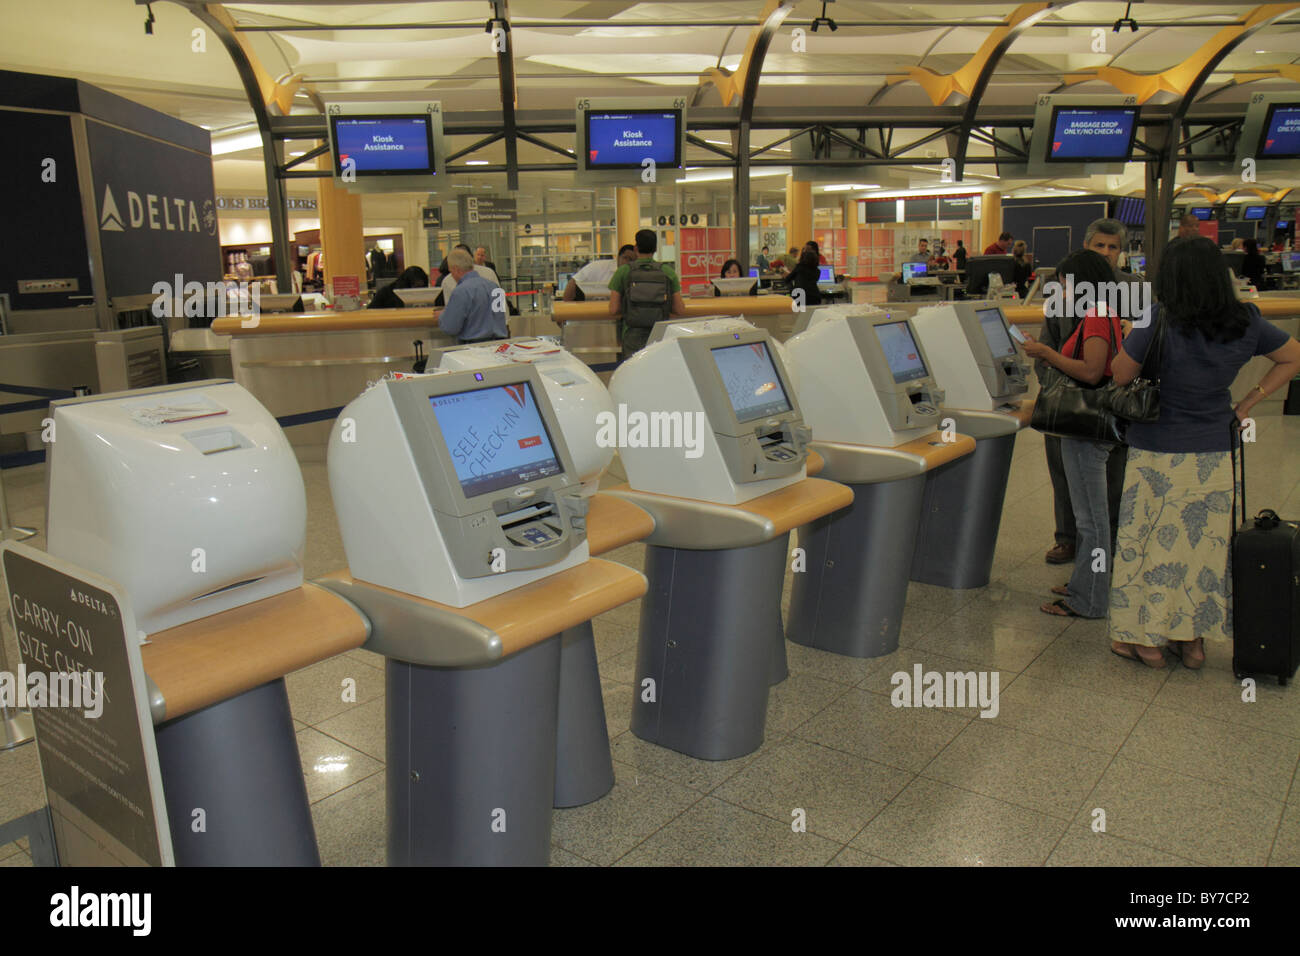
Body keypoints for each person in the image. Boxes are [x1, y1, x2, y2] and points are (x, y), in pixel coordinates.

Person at [1108, 237, 1300, 667]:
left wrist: (1129, 338)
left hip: (1156, 449)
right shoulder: (1245, 320)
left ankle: (1146, 640)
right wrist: (1248, 401)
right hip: (1214, 451)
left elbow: (1121, 376)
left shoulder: (1157, 319)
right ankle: (1192, 642)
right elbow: (1293, 357)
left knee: (1149, 544)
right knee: (1202, 549)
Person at [1020, 249, 1123, 620]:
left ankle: (1090, 599)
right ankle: (1086, 584)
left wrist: (1047, 352)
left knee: (1091, 520)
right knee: (1091, 516)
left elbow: (1093, 371)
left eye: (1064, 284)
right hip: (1091, 429)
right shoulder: (1102, 313)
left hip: (1085, 429)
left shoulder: (1096, 317)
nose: (1060, 290)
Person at [1039, 218, 1134, 566]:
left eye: (1113, 247)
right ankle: (1067, 538)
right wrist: (1052, 381)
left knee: (1108, 479)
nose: (1107, 252)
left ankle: (1104, 546)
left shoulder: (1131, 290)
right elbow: (1050, 334)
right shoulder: (1061, 288)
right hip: (1063, 397)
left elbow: (1140, 345)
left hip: (1109, 400)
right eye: (1100, 246)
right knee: (1064, 474)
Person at [608, 228, 686, 356]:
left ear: (636, 248)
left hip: (632, 334)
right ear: (655, 249)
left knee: (634, 372)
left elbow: (613, 309)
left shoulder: (623, 271)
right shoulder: (667, 272)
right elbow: (680, 309)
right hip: (659, 332)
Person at [439, 248, 507, 344]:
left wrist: (442, 316)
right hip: (499, 345)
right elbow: (501, 317)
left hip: (473, 348)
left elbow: (451, 328)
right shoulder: (494, 287)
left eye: (451, 272)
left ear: (456, 269)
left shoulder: (460, 292)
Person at [563, 244, 636, 301]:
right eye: (625, 258)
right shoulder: (598, 267)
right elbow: (573, 282)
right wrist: (566, 311)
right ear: (618, 257)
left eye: (632, 260)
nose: (628, 262)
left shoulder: (635, 274)